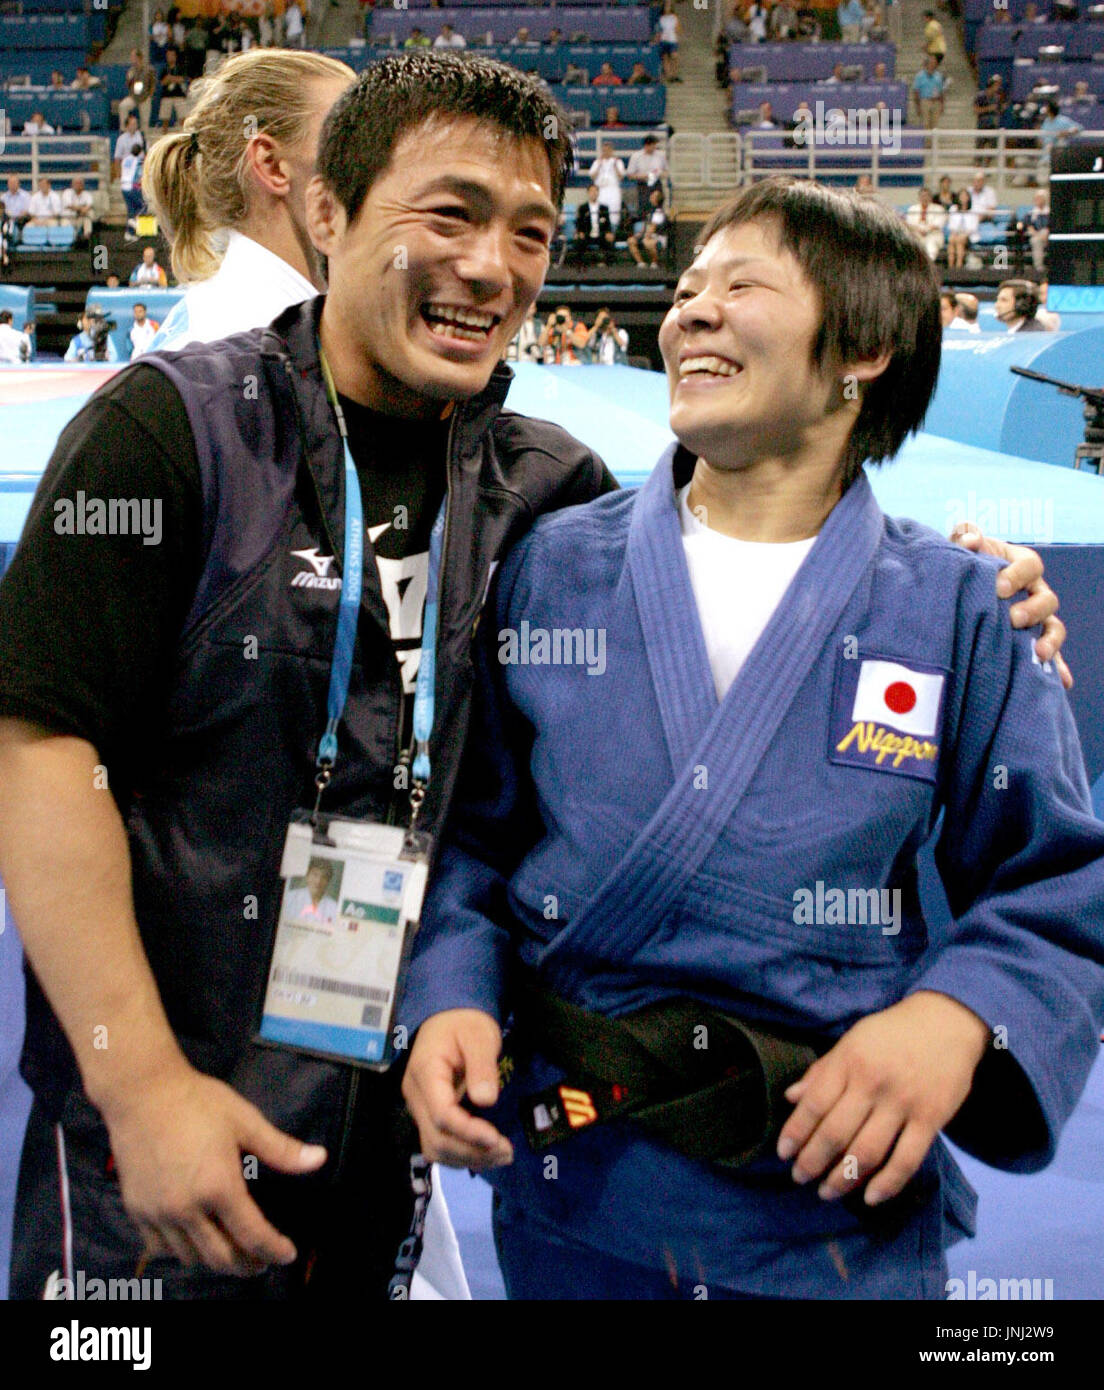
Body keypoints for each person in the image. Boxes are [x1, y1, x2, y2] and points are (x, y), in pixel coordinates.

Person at [400, 177, 1102, 1302]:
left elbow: (1059, 879)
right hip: (583, 1187)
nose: (690, 312)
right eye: (684, 291)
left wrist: (955, 1014)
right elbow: (474, 839)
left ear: (861, 349)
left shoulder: (961, 607)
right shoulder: (555, 565)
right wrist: (451, 990)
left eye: (741, 285)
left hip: (828, 1212)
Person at [0, 49, 614, 1307]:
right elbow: (38, 751)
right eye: (447, 214)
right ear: (326, 215)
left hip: (391, 1142)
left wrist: (969, 596)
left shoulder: (555, 491)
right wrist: (140, 1084)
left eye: (531, 230)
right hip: (154, 1151)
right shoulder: (166, 430)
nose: (492, 267)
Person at [143, 49, 355, 349]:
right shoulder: (240, 343)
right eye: (347, 140)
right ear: (271, 165)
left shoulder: (259, 319)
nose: (374, 163)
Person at [570, 187, 615, 265]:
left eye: (596, 191)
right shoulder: (582, 207)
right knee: (579, 242)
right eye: (592, 191)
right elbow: (579, 222)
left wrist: (609, 232)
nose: (594, 193)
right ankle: (581, 265)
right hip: (587, 234)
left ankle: (609, 265)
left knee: (610, 241)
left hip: (601, 234)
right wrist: (580, 232)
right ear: (588, 193)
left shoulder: (604, 208)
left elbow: (608, 223)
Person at [119, 48, 157, 131]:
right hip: (134, 97)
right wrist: (130, 78)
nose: (131, 59)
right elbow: (128, 85)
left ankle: (144, 138)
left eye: (133, 56)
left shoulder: (149, 69)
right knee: (123, 106)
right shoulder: (131, 70)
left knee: (145, 121)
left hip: (145, 97)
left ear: (139, 57)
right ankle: (124, 130)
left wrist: (150, 96)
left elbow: (153, 84)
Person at [588, 141, 626, 225]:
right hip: (600, 190)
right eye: (604, 150)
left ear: (612, 150)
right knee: (600, 210)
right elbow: (592, 176)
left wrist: (615, 165)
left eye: (608, 150)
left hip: (613, 189)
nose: (606, 152)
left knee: (614, 210)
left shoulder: (618, 162)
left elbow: (621, 177)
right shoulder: (597, 162)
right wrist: (599, 165)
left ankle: (613, 226)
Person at [905, 186, 946, 262]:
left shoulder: (939, 209)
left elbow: (939, 223)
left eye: (927, 196)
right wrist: (919, 230)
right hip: (916, 234)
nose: (924, 198)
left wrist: (926, 230)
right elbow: (909, 224)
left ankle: (929, 266)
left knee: (931, 246)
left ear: (930, 197)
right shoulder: (912, 209)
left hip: (933, 235)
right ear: (919, 197)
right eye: (922, 196)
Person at [945, 188, 978, 269]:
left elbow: (974, 227)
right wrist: (955, 232)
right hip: (955, 233)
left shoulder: (973, 210)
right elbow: (951, 224)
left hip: (969, 235)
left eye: (965, 196)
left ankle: (958, 265)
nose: (963, 198)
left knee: (959, 240)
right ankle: (951, 265)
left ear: (968, 198)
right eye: (961, 196)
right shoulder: (953, 209)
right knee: (951, 239)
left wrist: (964, 234)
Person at [159, 49, 191, 129]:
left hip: (179, 95)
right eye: (168, 55)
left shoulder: (181, 68)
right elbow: (162, 82)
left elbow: (183, 79)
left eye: (172, 55)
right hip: (166, 95)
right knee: (165, 118)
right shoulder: (164, 69)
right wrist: (172, 79)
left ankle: (184, 135)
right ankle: (164, 135)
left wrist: (170, 78)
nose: (170, 57)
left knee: (183, 116)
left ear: (175, 57)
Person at [911, 55, 945, 131]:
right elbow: (916, 91)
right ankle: (927, 142)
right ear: (927, 64)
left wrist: (942, 104)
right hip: (925, 101)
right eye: (931, 63)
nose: (933, 64)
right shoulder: (920, 76)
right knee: (925, 124)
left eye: (934, 63)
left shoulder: (938, 76)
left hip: (936, 101)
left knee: (935, 125)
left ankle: (934, 142)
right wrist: (917, 106)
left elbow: (941, 91)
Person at [60, 176, 94, 241]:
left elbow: (89, 206)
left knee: (89, 214)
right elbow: (69, 205)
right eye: (76, 183)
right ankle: (70, 240)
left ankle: (87, 235)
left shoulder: (87, 194)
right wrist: (81, 208)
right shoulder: (67, 192)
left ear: (83, 185)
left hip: (80, 217)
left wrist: (82, 209)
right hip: (68, 218)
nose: (78, 185)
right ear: (72, 185)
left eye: (80, 183)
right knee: (65, 223)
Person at [657, 2, 681, 82]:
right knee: (665, 58)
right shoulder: (661, 18)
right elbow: (659, 31)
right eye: (666, 7)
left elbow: (678, 29)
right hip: (663, 40)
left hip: (672, 40)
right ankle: (669, 76)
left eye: (669, 7)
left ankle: (675, 74)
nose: (667, 8)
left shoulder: (674, 17)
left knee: (674, 57)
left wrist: (675, 34)